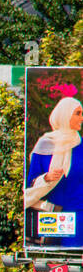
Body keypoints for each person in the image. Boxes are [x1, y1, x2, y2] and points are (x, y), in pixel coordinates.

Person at [24, 96, 83, 244]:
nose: (81, 118)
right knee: (54, 258)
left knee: (75, 257)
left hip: (78, 212)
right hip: (52, 213)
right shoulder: (45, 144)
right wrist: (47, 178)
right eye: (78, 113)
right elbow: (30, 182)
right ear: (65, 115)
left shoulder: (80, 146)